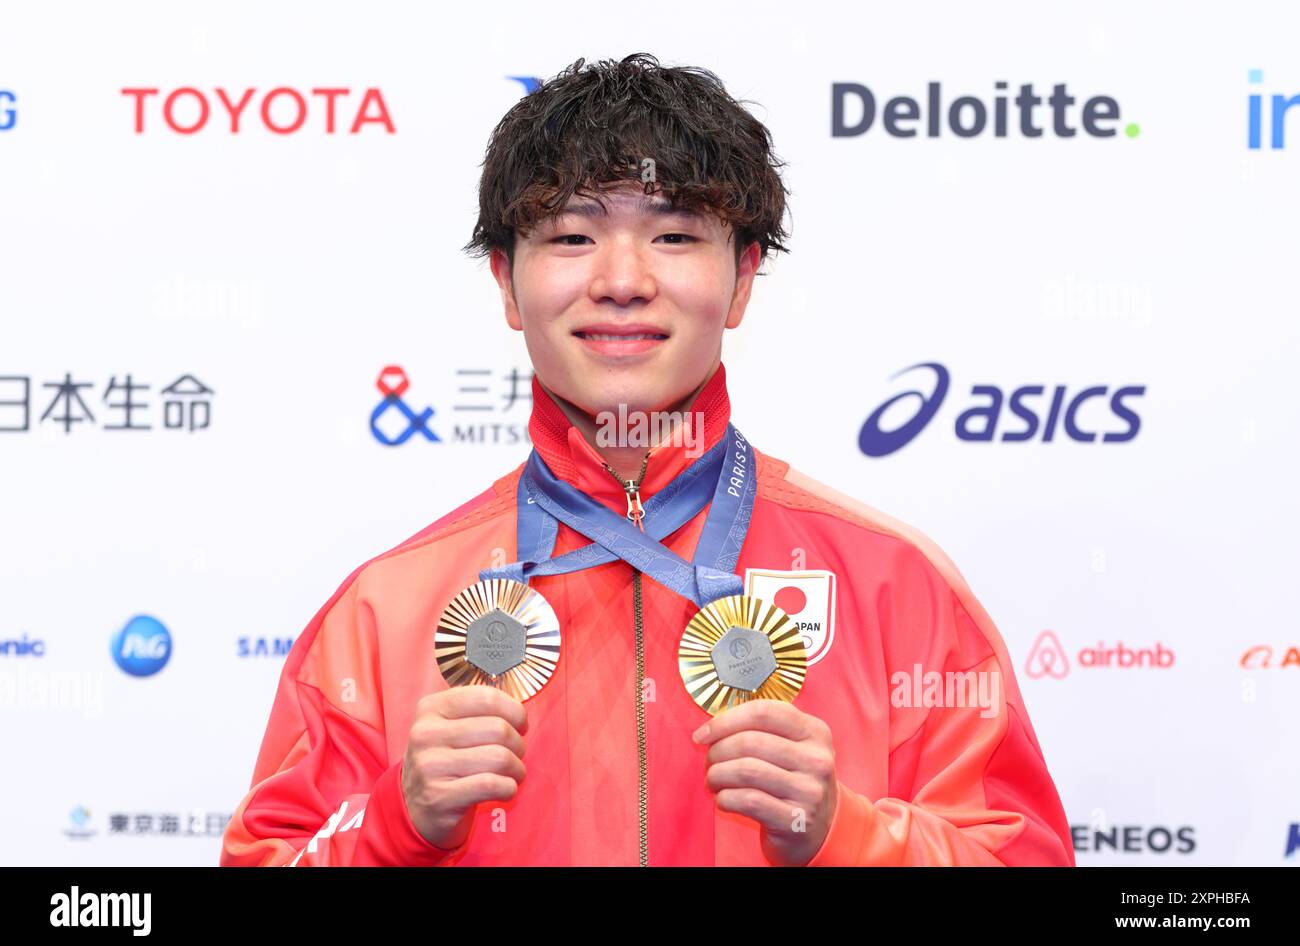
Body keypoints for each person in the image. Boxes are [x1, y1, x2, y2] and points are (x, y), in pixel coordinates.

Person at [220, 53, 1075, 867]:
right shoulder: (387, 607)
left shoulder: (894, 584)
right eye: (569, 237)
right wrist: (396, 820)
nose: (623, 280)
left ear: (742, 279)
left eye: (672, 236)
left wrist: (844, 832)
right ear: (504, 283)